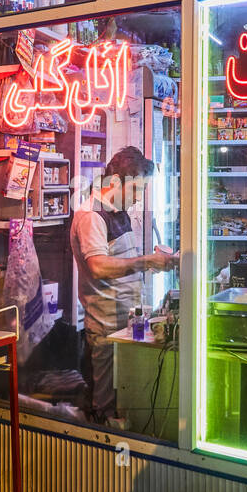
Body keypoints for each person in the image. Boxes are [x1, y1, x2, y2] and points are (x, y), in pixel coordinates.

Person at [70, 146, 178, 423]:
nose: (139, 197)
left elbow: (124, 262)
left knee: (127, 397)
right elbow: (98, 266)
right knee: (105, 405)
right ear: (115, 182)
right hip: (106, 325)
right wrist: (146, 261)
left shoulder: (119, 212)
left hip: (127, 320)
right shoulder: (91, 216)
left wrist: (156, 261)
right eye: (136, 189)